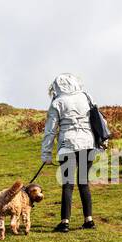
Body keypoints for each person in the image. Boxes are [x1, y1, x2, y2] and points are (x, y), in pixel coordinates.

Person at [41, 73, 96, 232]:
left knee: (68, 184)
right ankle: (89, 220)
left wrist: (46, 154)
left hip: (68, 145)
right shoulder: (86, 97)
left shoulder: (57, 102)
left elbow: (50, 131)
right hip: (88, 143)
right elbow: (97, 118)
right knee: (84, 182)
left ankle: (64, 222)